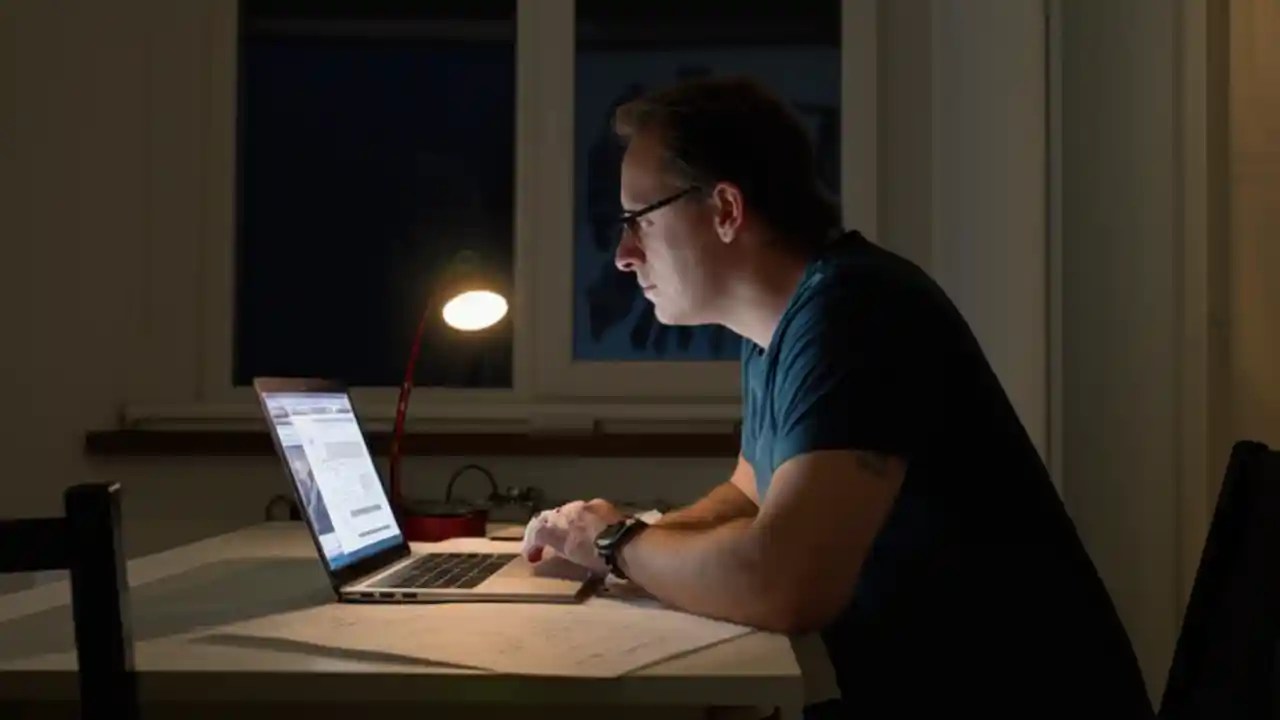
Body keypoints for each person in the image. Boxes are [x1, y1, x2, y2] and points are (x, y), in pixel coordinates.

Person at [521, 76, 1154, 718]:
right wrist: (608, 543)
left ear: (726, 210)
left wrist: (620, 545)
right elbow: (749, 495)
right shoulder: (782, 326)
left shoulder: (853, 311)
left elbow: (783, 584)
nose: (624, 254)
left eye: (639, 220)